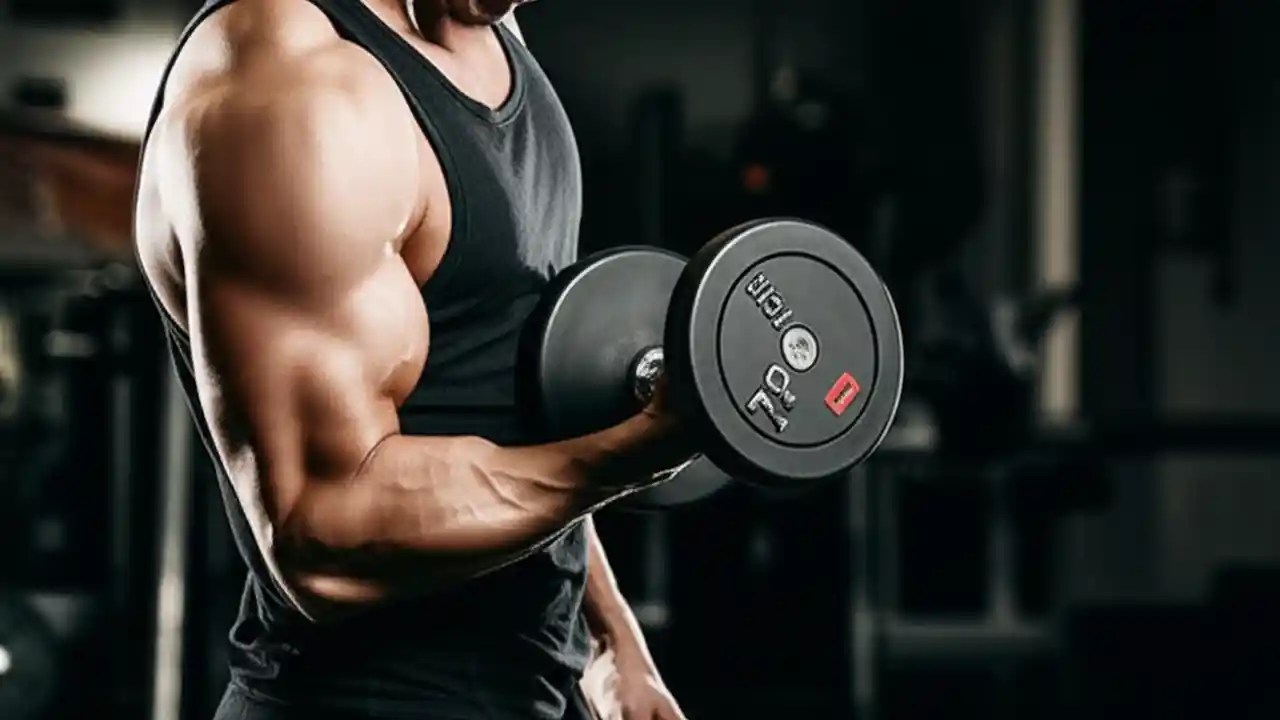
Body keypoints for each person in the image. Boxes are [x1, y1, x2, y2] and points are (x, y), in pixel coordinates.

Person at [132, 1, 694, 718]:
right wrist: (627, 457)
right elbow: (321, 533)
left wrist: (612, 643)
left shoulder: (489, 28)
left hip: (537, 689)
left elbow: (507, 394)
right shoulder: (292, 85)